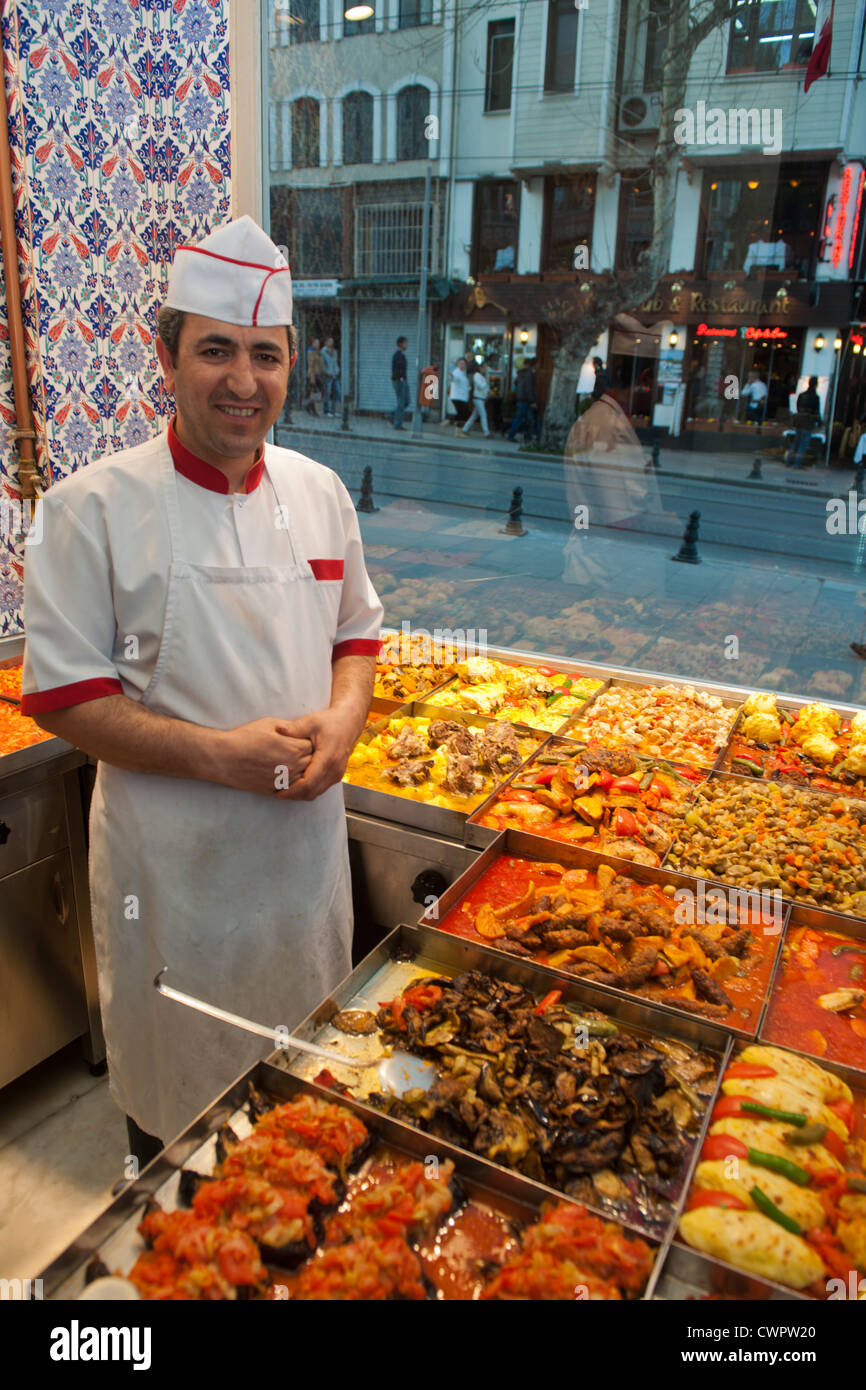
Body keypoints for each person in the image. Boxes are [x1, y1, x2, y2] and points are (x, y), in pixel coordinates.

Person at [21, 216, 384, 1162]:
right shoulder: (90, 510)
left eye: (265, 355)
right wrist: (221, 756)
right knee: (181, 1137)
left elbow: (357, 632)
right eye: (215, 350)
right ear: (166, 355)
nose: (242, 380)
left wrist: (346, 718)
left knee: (304, 1111)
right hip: (173, 883)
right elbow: (60, 696)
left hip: (301, 871)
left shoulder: (319, 493)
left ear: (292, 363)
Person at [786, 376, 822, 469]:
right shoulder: (815, 397)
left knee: (796, 442)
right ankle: (797, 463)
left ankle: (789, 460)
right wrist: (820, 423)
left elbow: (797, 407)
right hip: (808, 422)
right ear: (816, 385)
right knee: (803, 444)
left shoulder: (802, 395)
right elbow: (816, 411)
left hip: (799, 421)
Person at [507, 358, 539, 441]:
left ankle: (527, 435)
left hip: (524, 399)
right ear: (534, 365)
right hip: (526, 400)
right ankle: (511, 433)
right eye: (538, 364)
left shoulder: (527, 374)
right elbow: (529, 388)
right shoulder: (529, 374)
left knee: (527, 418)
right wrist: (532, 401)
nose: (538, 366)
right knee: (521, 418)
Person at [462, 361, 490, 437]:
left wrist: (487, 392)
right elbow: (481, 386)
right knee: (483, 414)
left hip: (482, 398)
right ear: (480, 368)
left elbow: (486, 388)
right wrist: (486, 382)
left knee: (474, 416)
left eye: (486, 367)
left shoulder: (484, 376)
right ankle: (486, 432)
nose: (486, 369)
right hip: (478, 398)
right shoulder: (477, 376)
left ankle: (464, 429)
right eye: (484, 367)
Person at [391, 336, 409, 429]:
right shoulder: (397, 355)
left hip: (403, 381)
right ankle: (398, 424)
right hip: (399, 381)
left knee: (406, 401)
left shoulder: (402, 355)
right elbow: (396, 370)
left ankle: (391, 415)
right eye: (405, 343)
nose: (406, 345)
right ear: (400, 344)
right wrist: (401, 379)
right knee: (401, 403)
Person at [448, 356, 471, 426]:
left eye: (463, 364)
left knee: (462, 414)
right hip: (457, 396)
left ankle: (452, 424)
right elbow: (454, 378)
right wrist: (452, 376)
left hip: (462, 397)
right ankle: (449, 422)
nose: (462, 365)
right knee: (462, 414)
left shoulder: (464, 373)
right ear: (457, 365)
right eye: (460, 364)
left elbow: (465, 384)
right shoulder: (456, 372)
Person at [321, 337, 340, 417]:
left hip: (335, 374)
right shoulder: (323, 352)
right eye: (329, 341)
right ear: (326, 342)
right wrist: (326, 371)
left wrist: (337, 370)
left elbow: (335, 362)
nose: (331, 343)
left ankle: (333, 410)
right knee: (327, 393)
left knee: (337, 391)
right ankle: (326, 411)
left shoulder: (335, 352)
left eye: (332, 341)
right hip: (327, 375)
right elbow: (322, 364)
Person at [304, 337, 323, 415]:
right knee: (315, 392)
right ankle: (311, 407)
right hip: (314, 375)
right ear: (312, 344)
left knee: (316, 392)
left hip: (318, 374)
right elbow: (311, 365)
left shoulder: (317, 352)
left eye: (318, 343)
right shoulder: (311, 352)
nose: (318, 345)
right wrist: (311, 377)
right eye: (316, 343)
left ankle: (310, 406)